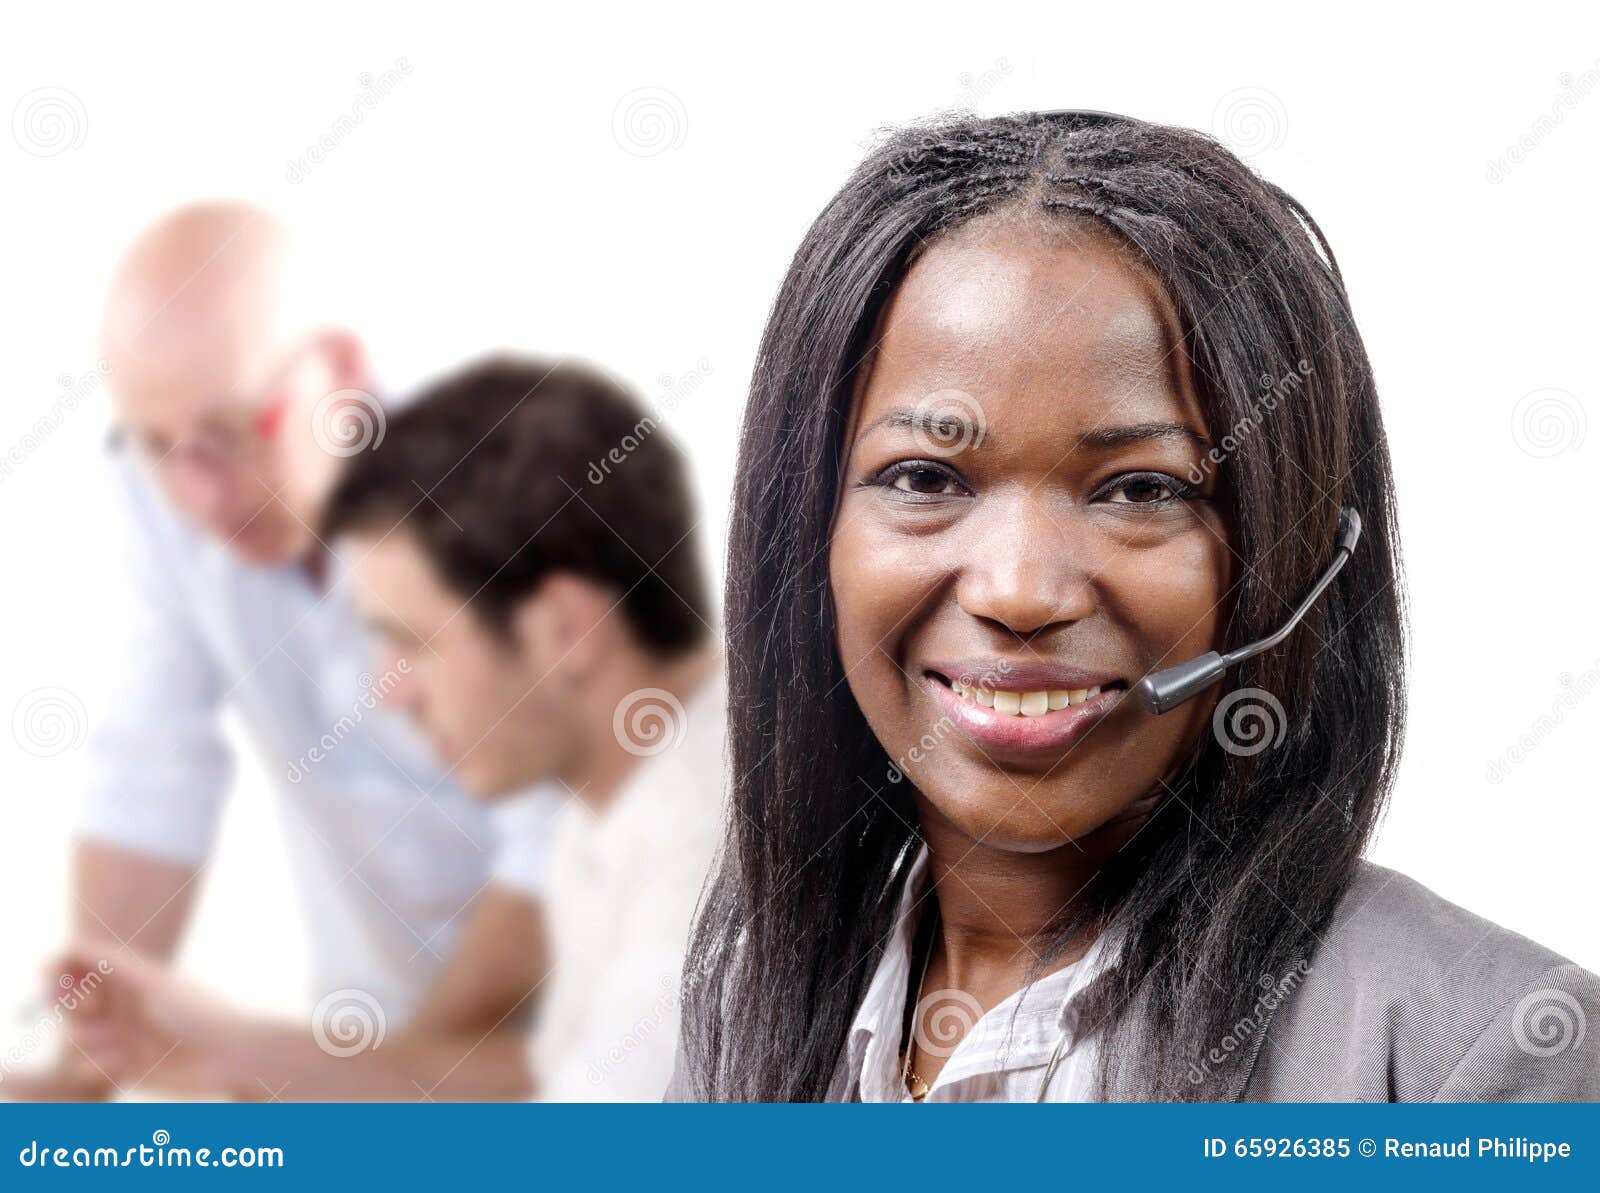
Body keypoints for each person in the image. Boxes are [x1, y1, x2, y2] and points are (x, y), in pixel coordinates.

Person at [669, 111, 1600, 1102]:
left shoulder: (1486, 1047)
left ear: (1299, 553)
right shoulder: (742, 1008)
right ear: (804, 533)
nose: (1018, 591)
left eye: (1141, 488)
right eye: (925, 475)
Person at [66, 354, 726, 1101]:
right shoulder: (611, 806)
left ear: (566, 628)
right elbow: (550, 1083)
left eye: (413, 640)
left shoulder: (713, 858)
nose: (389, 692)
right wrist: (235, 1052)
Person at [15, 202, 560, 1102]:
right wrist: (75, 1092)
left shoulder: (502, 488)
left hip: (574, 1059)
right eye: (158, 448)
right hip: (370, 1039)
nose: (196, 494)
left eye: (231, 435)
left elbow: (555, 849)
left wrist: (383, 1093)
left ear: (340, 374)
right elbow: (150, 770)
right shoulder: (173, 473)